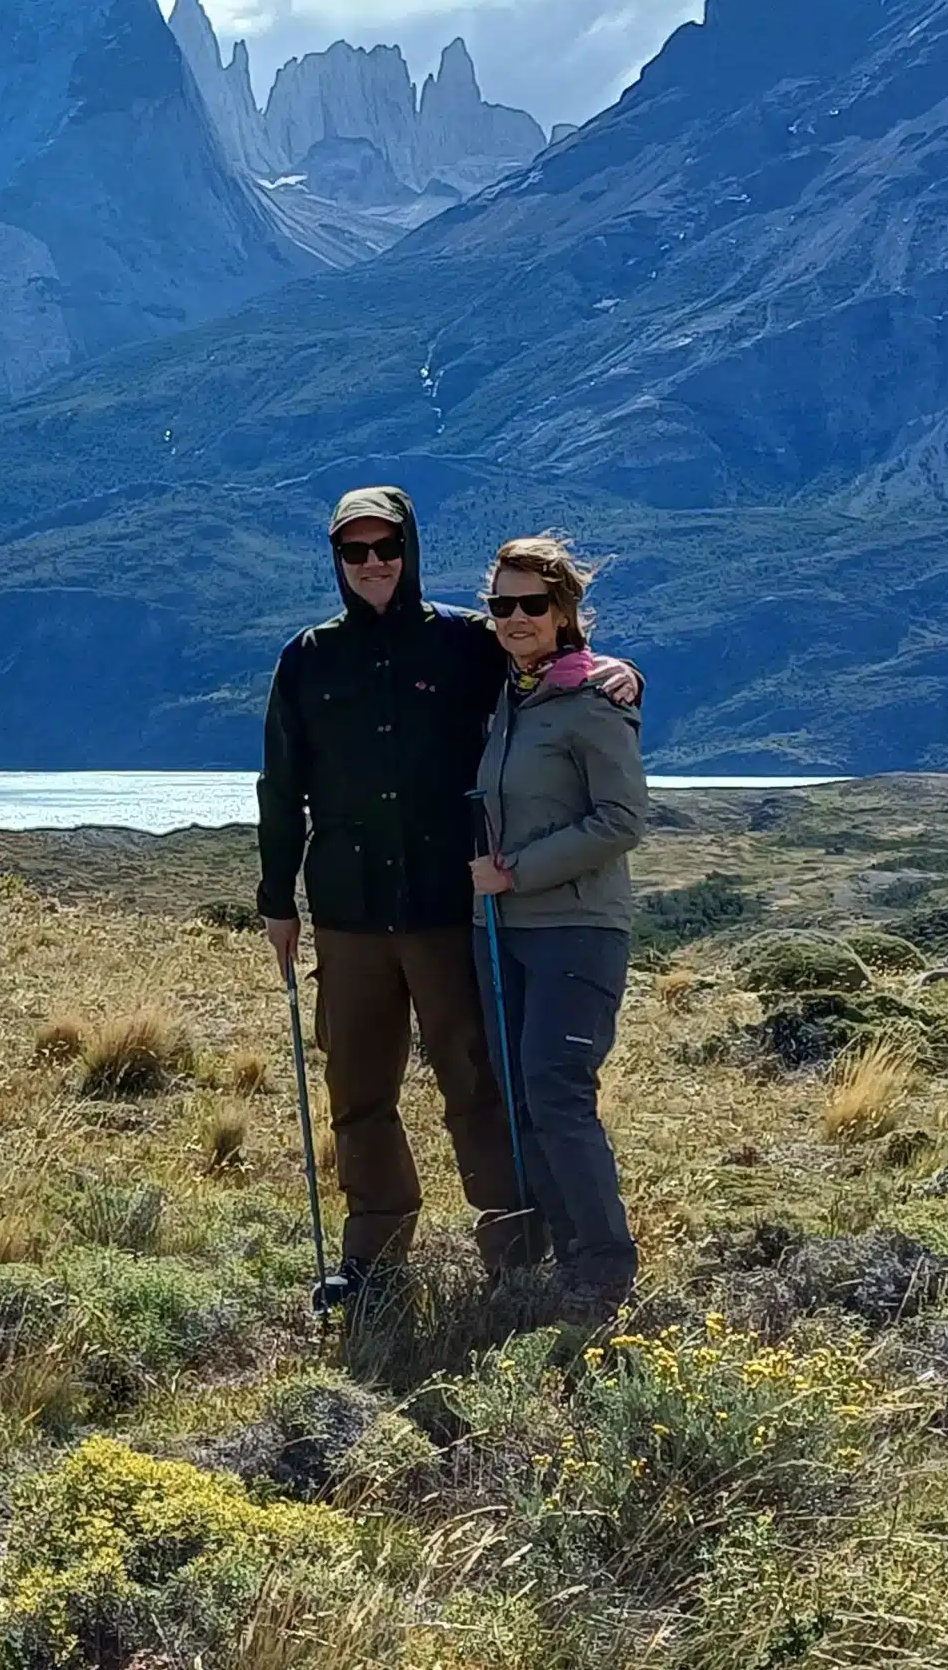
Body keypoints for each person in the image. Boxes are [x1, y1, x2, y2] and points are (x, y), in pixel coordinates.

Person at [257, 488, 637, 1300]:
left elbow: (553, 670)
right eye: (354, 552)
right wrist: (275, 899)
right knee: (359, 1091)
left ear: (410, 547)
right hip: (347, 914)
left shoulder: (469, 644)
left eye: (385, 546)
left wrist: (614, 668)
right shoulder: (307, 658)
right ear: (336, 561)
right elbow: (281, 786)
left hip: (449, 913)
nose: (372, 564)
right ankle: (374, 1262)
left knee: (476, 1084)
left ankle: (516, 1251)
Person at [469, 535, 649, 1319]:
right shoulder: (506, 694)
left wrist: (515, 871)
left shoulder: (594, 699)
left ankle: (604, 1267)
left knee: (556, 1090)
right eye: (500, 604)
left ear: (565, 611)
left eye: (532, 605)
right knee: (521, 1096)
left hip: (577, 928)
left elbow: (621, 820)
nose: (515, 617)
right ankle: (561, 1256)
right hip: (502, 932)